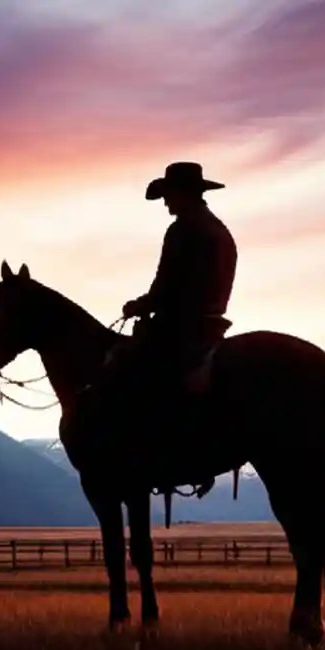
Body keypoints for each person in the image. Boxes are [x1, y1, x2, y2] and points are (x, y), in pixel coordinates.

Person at [99, 161, 238, 488]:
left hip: (182, 327)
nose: (165, 202)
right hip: (211, 324)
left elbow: (167, 286)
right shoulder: (218, 230)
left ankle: (148, 456)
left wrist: (140, 305)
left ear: (183, 194)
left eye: (169, 195)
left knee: (123, 372)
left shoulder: (183, 230)